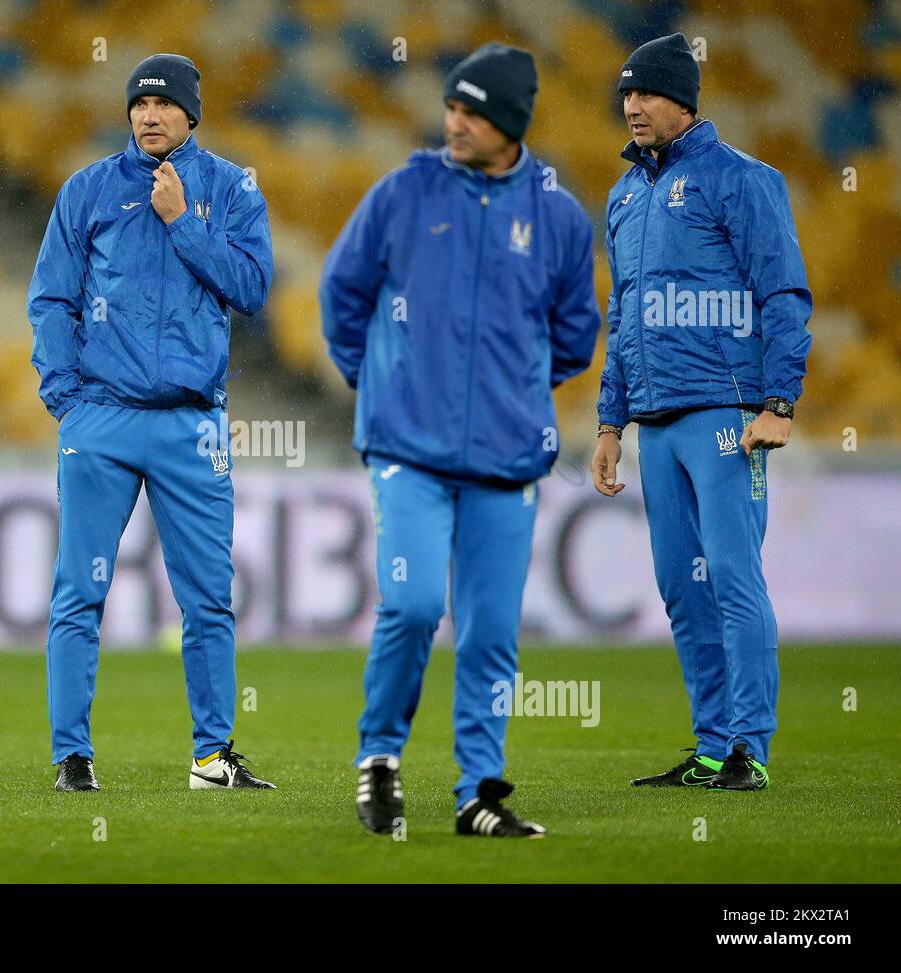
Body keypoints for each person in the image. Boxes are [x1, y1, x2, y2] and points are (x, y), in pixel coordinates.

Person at [320, 44, 601, 836]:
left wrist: (511, 389)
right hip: (408, 449)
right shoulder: (405, 191)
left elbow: (578, 332)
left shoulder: (558, 215)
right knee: (411, 605)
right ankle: (380, 757)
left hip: (506, 460)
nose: (455, 122)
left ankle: (478, 792)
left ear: (510, 123)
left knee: (490, 633)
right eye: (452, 106)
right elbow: (343, 292)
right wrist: (375, 378)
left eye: (473, 112)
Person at [26, 53, 276, 792]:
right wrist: (64, 398)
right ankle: (73, 756)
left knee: (208, 599)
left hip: (191, 424)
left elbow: (255, 289)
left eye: (165, 104)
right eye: (139, 103)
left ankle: (210, 757)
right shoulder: (89, 189)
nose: (149, 115)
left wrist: (185, 224)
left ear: (192, 114)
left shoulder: (230, 189)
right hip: (100, 418)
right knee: (79, 592)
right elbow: (51, 300)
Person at [590, 33, 812, 791]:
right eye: (626, 94)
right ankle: (713, 746)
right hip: (655, 422)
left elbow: (782, 292)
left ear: (684, 99)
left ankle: (750, 745)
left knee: (731, 575)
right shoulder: (623, 197)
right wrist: (610, 423)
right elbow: (623, 317)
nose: (633, 106)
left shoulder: (742, 179)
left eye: (646, 92)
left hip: (727, 412)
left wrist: (780, 401)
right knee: (682, 587)